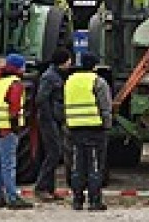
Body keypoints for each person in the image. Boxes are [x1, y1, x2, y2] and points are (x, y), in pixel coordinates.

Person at [64, 52, 111, 211]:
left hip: (74, 129)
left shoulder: (70, 81)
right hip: (94, 129)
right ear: (94, 66)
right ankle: (94, 201)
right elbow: (105, 106)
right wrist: (107, 126)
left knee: (77, 166)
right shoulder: (98, 82)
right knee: (95, 166)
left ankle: (77, 200)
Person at [0, 53, 33, 209]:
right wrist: (15, 128)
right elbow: (14, 109)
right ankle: (12, 198)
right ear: (19, 67)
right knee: (8, 165)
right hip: (7, 129)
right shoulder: (15, 84)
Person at [34, 48, 73, 201]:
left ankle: (49, 188)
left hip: (55, 120)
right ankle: (41, 187)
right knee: (53, 153)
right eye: (68, 60)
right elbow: (41, 99)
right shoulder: (49, 77)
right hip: (49, 121)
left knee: (55, 153)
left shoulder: (56, 75)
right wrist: (49, 118)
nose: (70, 63)